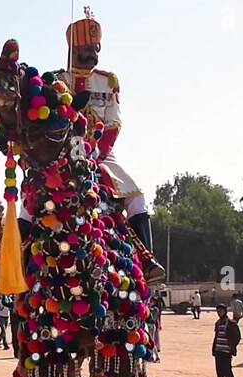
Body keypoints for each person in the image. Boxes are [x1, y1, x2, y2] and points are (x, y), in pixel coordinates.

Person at [59, 9, 165, 284]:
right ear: (73, 48)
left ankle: (147, 262)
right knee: (29, 205)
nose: (93, 53)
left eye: (96, 48)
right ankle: (17, 265)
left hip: (103, 153)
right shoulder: (56, 80)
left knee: (136, 196)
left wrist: (96, 153)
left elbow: (114, 122)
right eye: (87, 48)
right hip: (61, 155)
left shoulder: (108, 81)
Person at [211, 304, 241, 377]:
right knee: (219, 373)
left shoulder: (231, 323)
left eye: (221, 311)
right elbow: (216, 336)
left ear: (225, 311)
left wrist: (231, 346)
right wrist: (214, 349)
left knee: (228, 373)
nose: (219, 313)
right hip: (218, 351)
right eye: (218, 311)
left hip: (226, 352)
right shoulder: (218, 323)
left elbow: (237, 337)